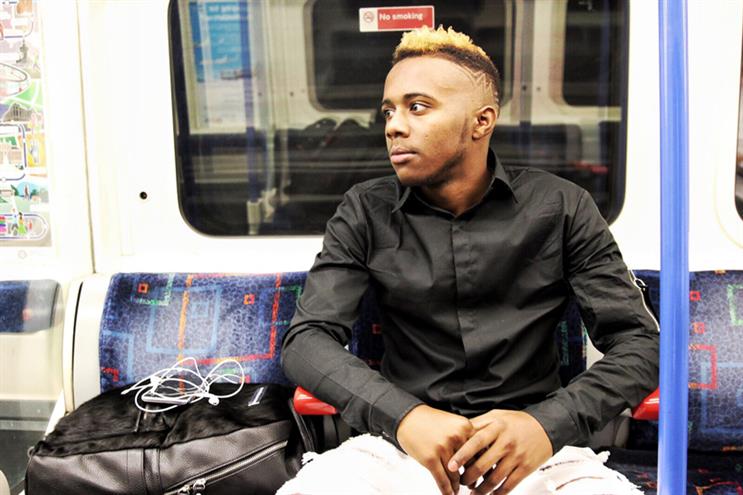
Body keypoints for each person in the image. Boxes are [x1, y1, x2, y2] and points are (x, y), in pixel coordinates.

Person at [281, 26, 659, 495]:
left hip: (537, 450)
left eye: (418, 107)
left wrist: (547, 424)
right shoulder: (365, 210)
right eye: (389, 111)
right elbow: (306, 340)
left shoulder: (562, 207)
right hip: (399, 447)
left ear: (481, 121)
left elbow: (640, 344)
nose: (394, 126)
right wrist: (405, 417)